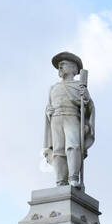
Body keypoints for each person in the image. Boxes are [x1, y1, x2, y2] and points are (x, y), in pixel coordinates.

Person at [44, 51, 95, 188]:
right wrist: (48, 111)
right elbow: (49, 106)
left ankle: (73, 178)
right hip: (56, 119)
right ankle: (61, 181)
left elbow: (88, 107)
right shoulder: (53, 88)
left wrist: (86, 99)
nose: (60, 68)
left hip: (72, 117)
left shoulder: (79, 86)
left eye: (63, 65)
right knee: (58, 150)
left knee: (73, 146)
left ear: (73, 68)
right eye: (59, 66)